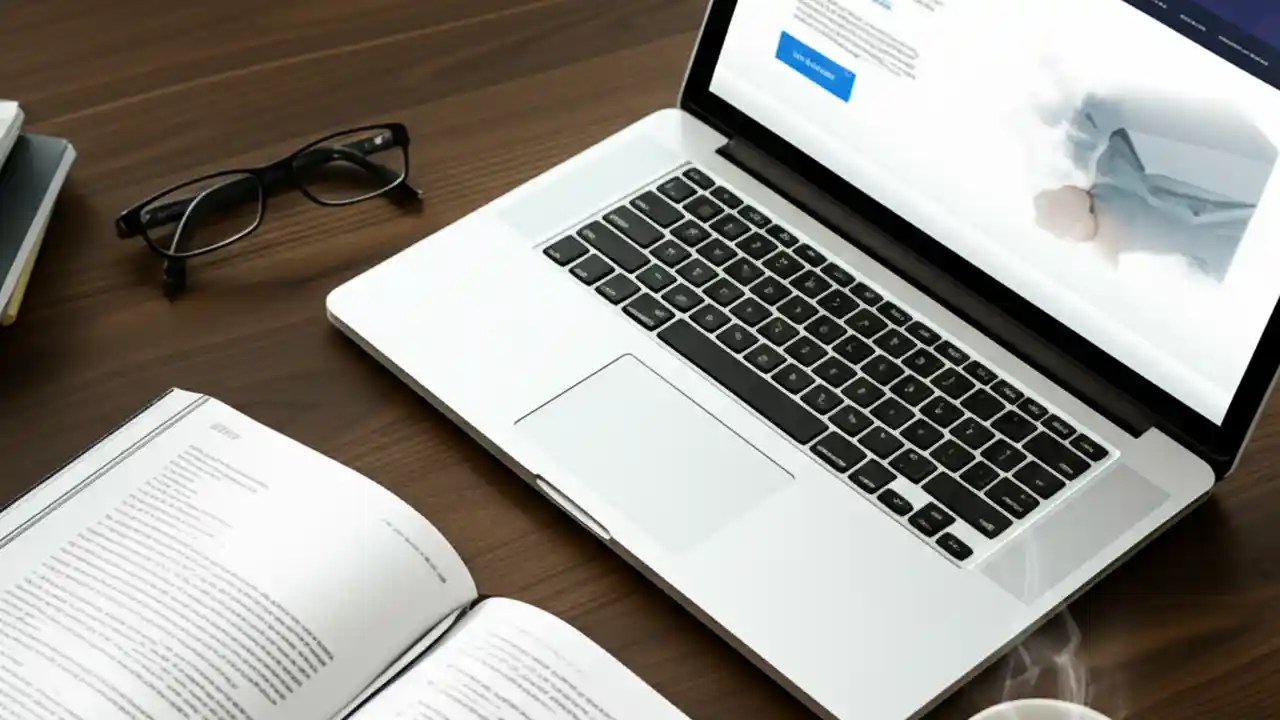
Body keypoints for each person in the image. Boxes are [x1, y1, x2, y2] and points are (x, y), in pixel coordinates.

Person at [1034, 106, 1260, 282]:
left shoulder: (1107, 182)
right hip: (1204, 234)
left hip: (1206, 226)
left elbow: (1109, 137)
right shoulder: (1107, 180)